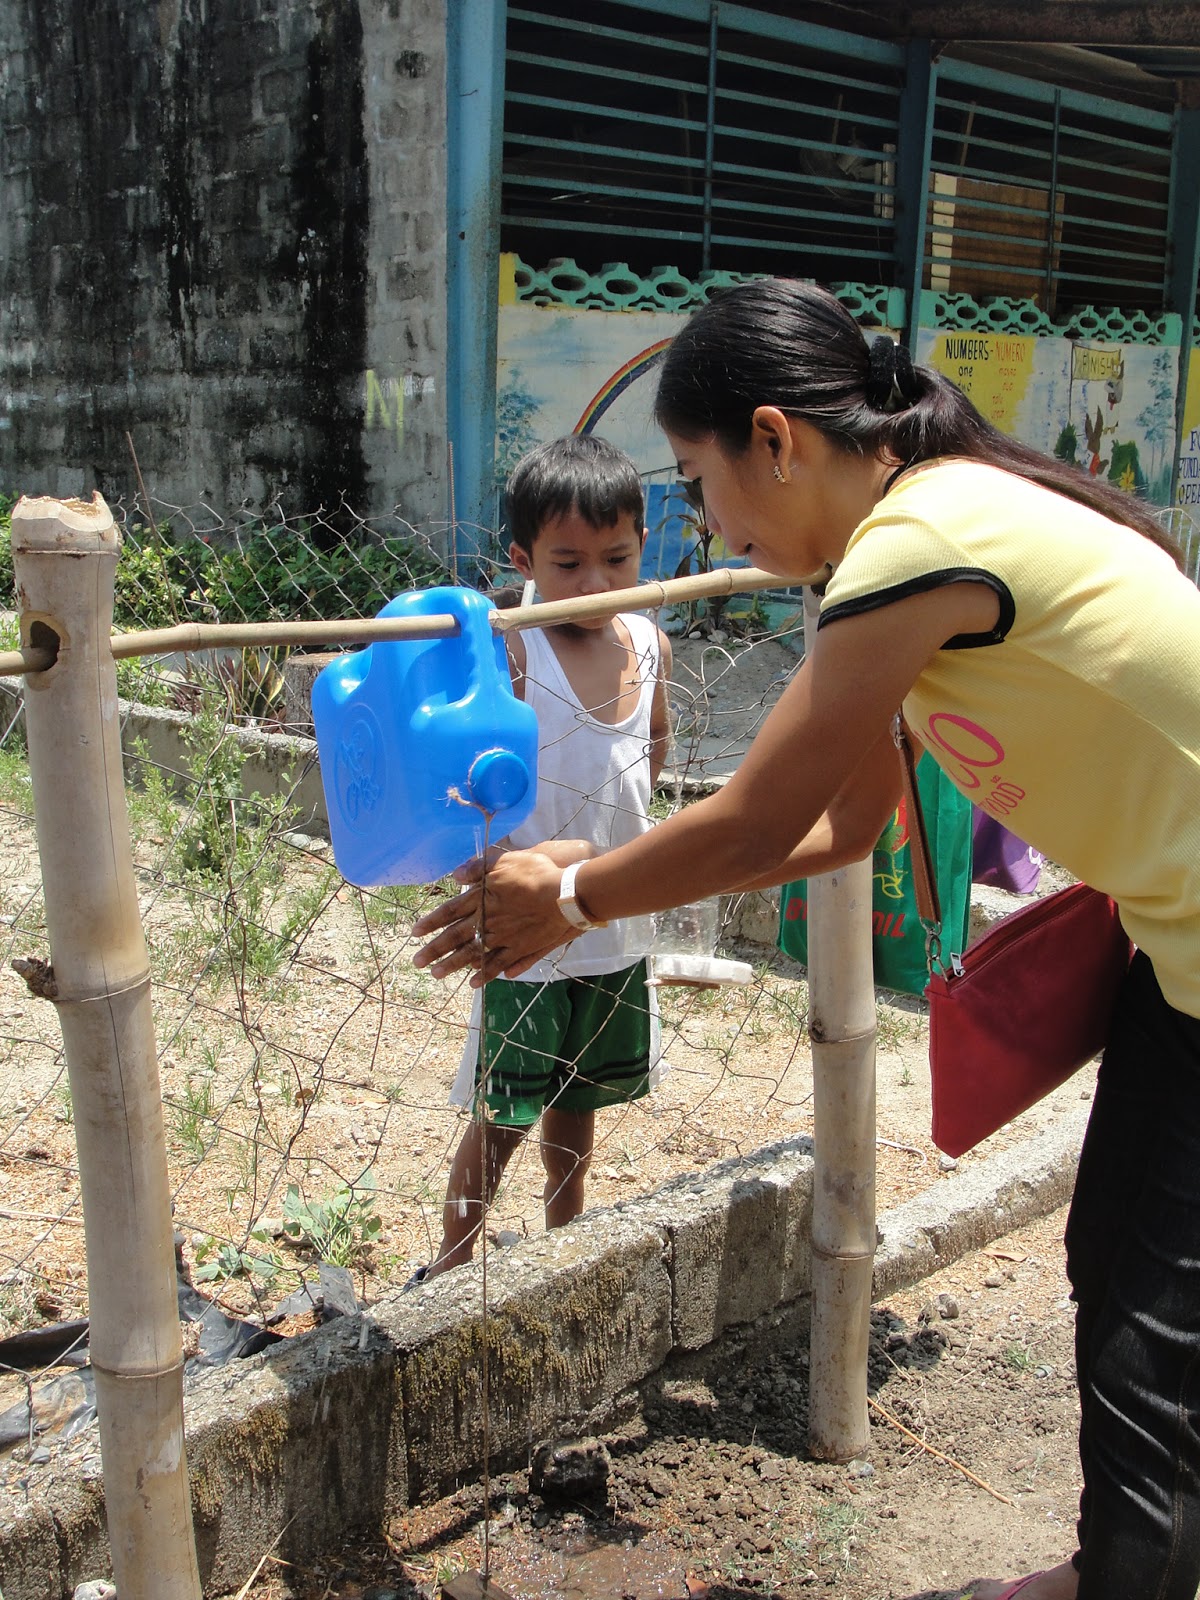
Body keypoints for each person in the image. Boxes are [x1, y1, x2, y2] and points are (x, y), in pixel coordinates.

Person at [413, 279, 1200, 1600]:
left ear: (772, 439)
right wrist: (584, 869)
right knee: (1121, 1262)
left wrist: (580, 897)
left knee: (1148, 1326)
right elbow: (846, 826)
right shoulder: (918, 534)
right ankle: (1127, 1566)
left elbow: (763, 810)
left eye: (697, 478)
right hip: (1178, 966)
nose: (702, 520)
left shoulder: (913, 545)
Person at [418, 433, 672, 1281]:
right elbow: (460, 783)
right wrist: (490, 863)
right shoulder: (513, 650)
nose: (596, 584)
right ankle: (453, 1271)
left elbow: (654, 746)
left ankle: (565, 1243)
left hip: (609, 912)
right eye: (568, 563)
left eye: (617, 558)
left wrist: (616, 843)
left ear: (645, 546)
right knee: (503, 1113)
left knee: (582, 1097)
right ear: (523, 559)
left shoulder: (647, 644)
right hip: (531, 925)